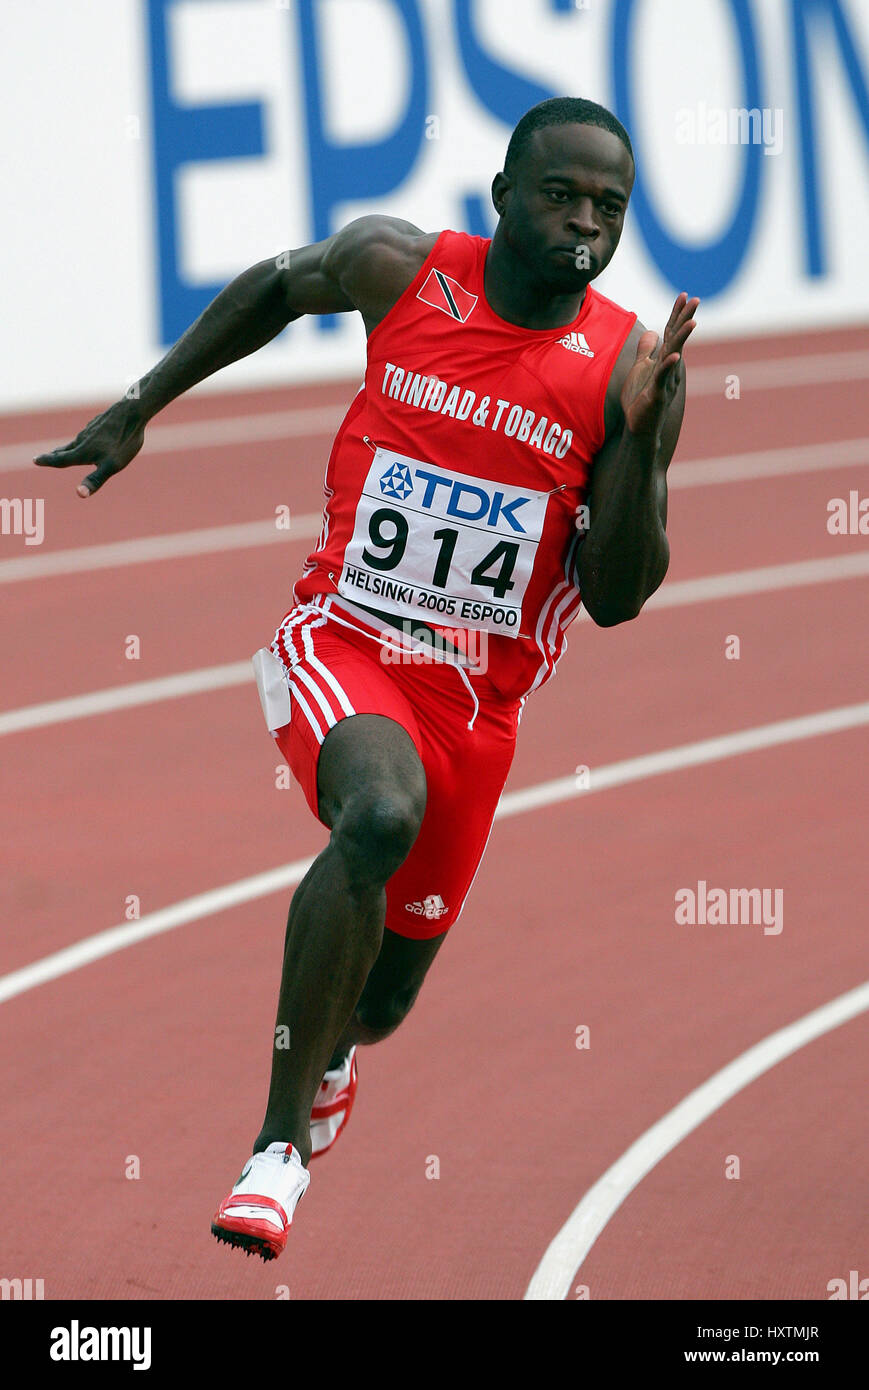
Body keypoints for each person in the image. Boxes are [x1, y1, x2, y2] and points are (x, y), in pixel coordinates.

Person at [35, 96, 698, 1263]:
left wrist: (641, 442)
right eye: (559, 194)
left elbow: (619, 594)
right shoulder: (397, 267)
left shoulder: (625, 369)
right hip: (343, 639)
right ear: (500, 194)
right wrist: (144, 400)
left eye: (608, 205)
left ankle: (333, 1053)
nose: (583, 221)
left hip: (477, 709)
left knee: (381, 1003)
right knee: (376, 814)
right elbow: (274, 289)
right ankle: (275, 1152)